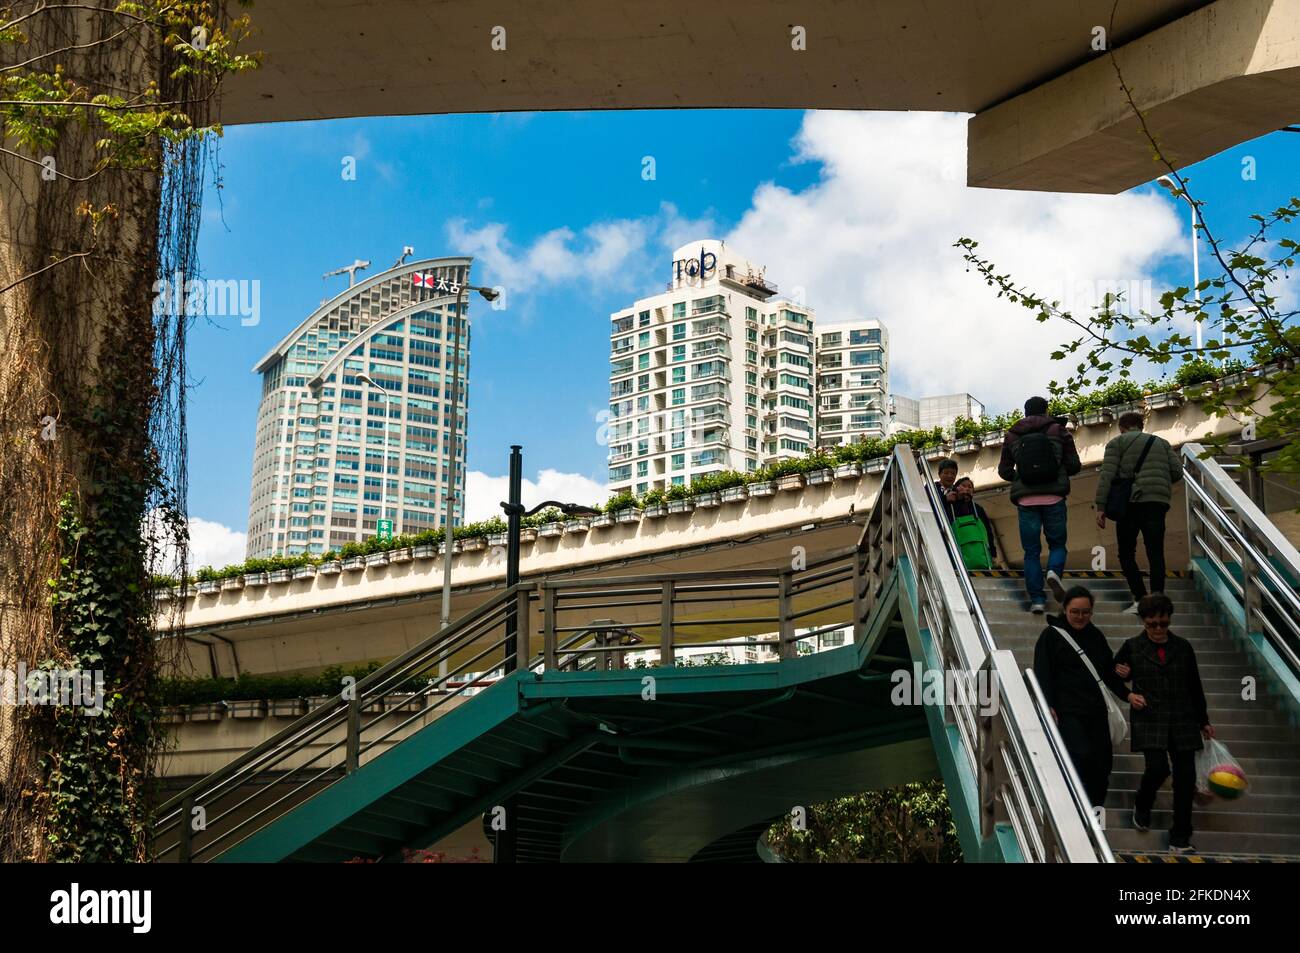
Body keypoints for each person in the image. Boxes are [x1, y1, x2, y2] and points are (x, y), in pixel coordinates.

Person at [1113, 593, 1214, 853]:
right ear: (1143, 622)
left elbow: (1195, 685)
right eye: (1152, 624)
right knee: (1158, 768)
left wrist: (1204, 720)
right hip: (1149, 718)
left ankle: (1180, 838)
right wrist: (1128, 693)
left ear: (1169, 620)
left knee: (1185, 778)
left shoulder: (1183, 647)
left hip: (1183, 719)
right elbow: (1112, 674)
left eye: (1163, 623)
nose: (1158, 629)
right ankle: (1142, 803)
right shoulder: (1131, 646)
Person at [1034, 586, 1136, 809]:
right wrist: (1047, 704)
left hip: (1096, 711)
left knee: (1102, 766)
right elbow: (1043, 672)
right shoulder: (1051, 636)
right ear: (1065, 610)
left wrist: (1127, 692)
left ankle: (1095, 818)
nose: (1080, 617)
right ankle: (1073, 810)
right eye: (1075, 612)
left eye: (1085, 612)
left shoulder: (1095, 635)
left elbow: (1107, 672)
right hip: (1067, 710)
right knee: (1080, 755)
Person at [998, 396, 1081, 614]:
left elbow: (1004, 471)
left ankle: (1037, 599)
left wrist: (1021, 476)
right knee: (1057, 544)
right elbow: (1074, 465)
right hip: (1054, 496)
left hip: (1026, 500)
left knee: (1031, 552)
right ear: (1046, 411)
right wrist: (1057, 470)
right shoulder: (1058, 430)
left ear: (1025, 412)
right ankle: (1053, 571)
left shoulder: (1012, 435)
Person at [1095, 411, 1182, 614]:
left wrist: (1101, 506)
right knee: (1155, 553)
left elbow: (1107, 475)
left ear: (1122, 427)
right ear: (1141, 426)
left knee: (1126, 553)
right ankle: (1158, 600)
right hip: (1157, 503)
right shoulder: (1161, 443)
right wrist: (1157, 484)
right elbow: (1177, 472)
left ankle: (1140, 599)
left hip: (1130, 504)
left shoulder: (1117, 443)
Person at [948, 477, 996, 569]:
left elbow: (988, 530)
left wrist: (993, 552)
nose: (967, 489)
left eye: (970, 487)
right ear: (956, 488)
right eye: (963, 486)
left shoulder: (978, 509)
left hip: (981, 552)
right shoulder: (950, 506)